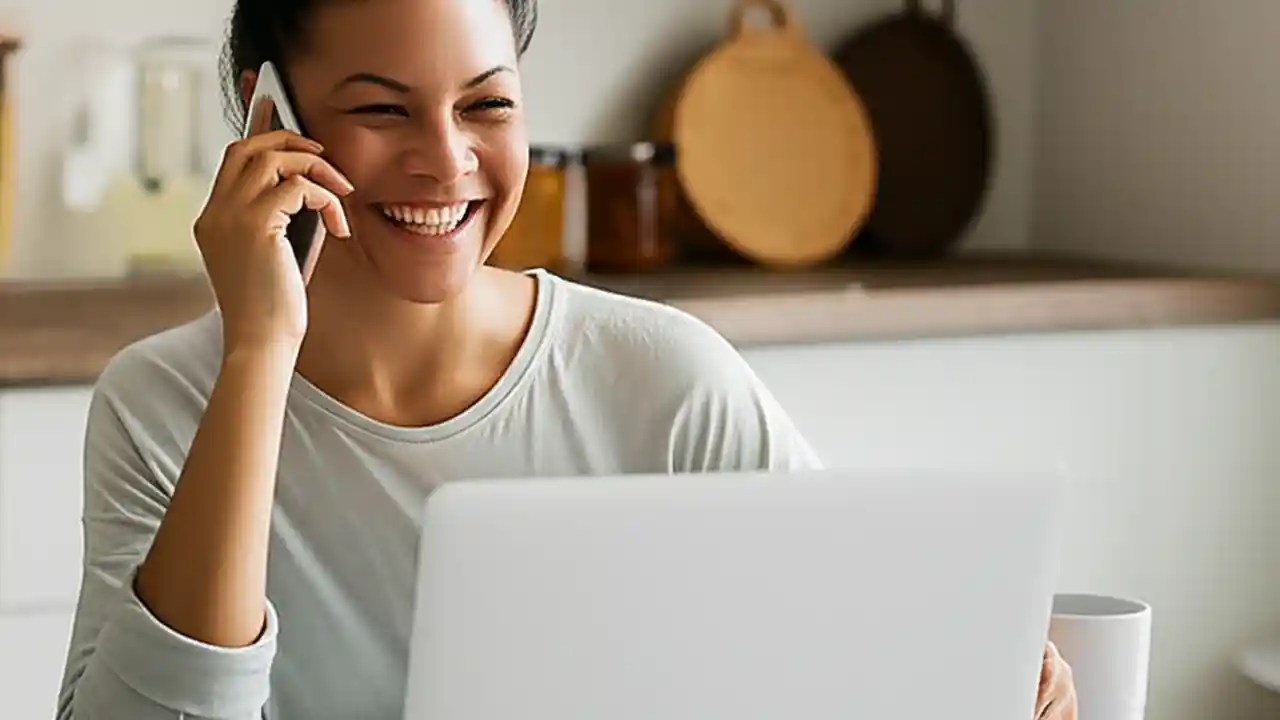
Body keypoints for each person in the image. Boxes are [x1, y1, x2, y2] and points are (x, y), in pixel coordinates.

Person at [53, 0, 1076, 718]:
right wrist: (259, 353)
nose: (446, 160)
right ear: (272, 118)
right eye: (381, 108)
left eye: (486, 105)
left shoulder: (664, 380)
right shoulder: (165, 404)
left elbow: (847, 654)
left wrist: (986, 680)